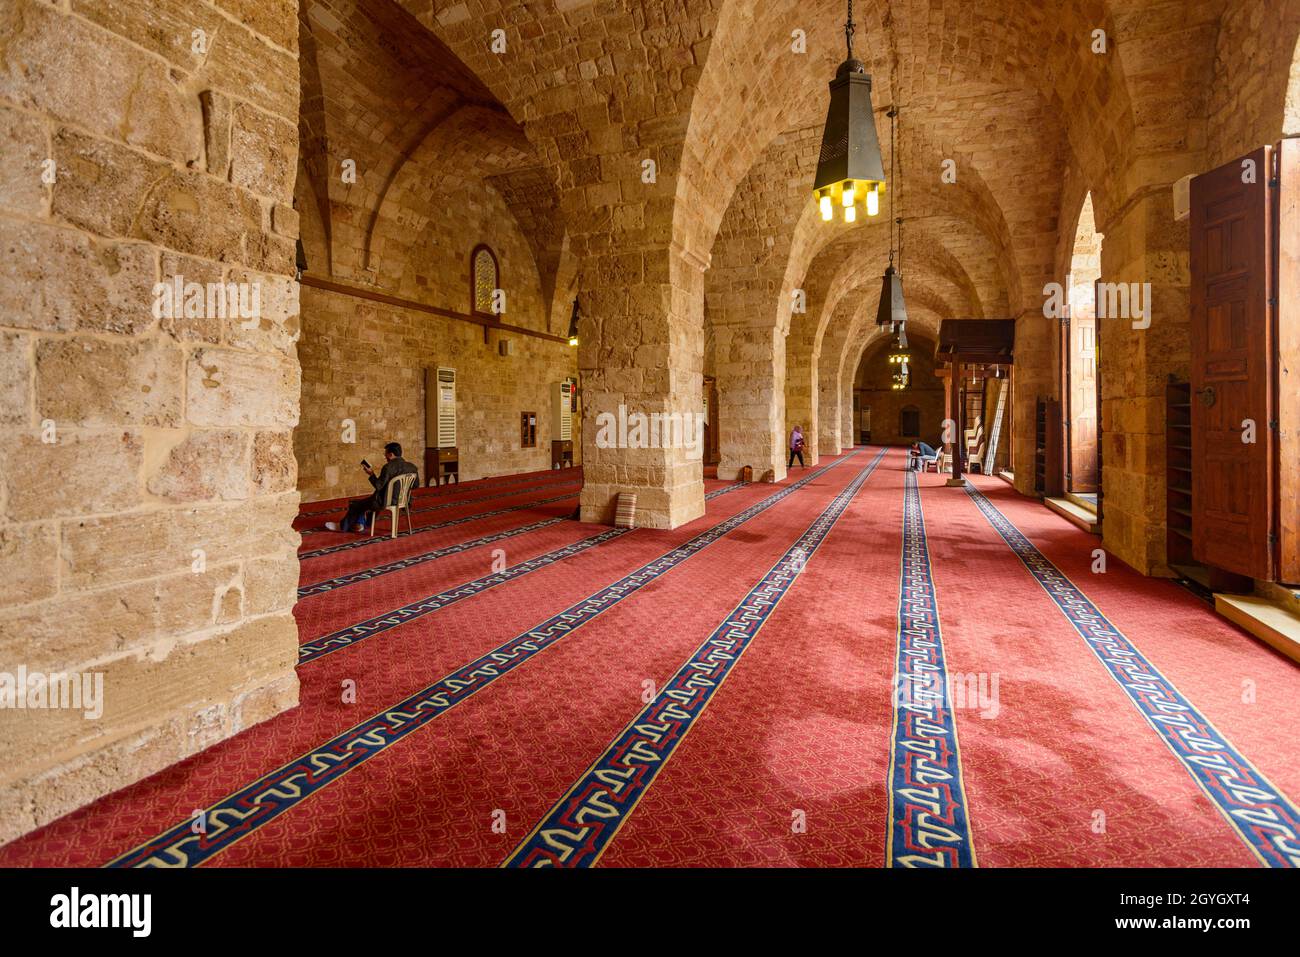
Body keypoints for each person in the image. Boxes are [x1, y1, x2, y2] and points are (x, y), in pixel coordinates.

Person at [325, 442, 420, 532]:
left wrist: (371, 474)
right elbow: (415, 486)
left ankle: (342, 526)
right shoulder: (412, 467)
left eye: (385, 455)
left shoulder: (388, 467)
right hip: (403, 500)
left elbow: (378, 486)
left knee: (355, 504)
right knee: (368, 502)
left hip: (385, 501)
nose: (385, 457)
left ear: (391, 454)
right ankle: (361, 524)